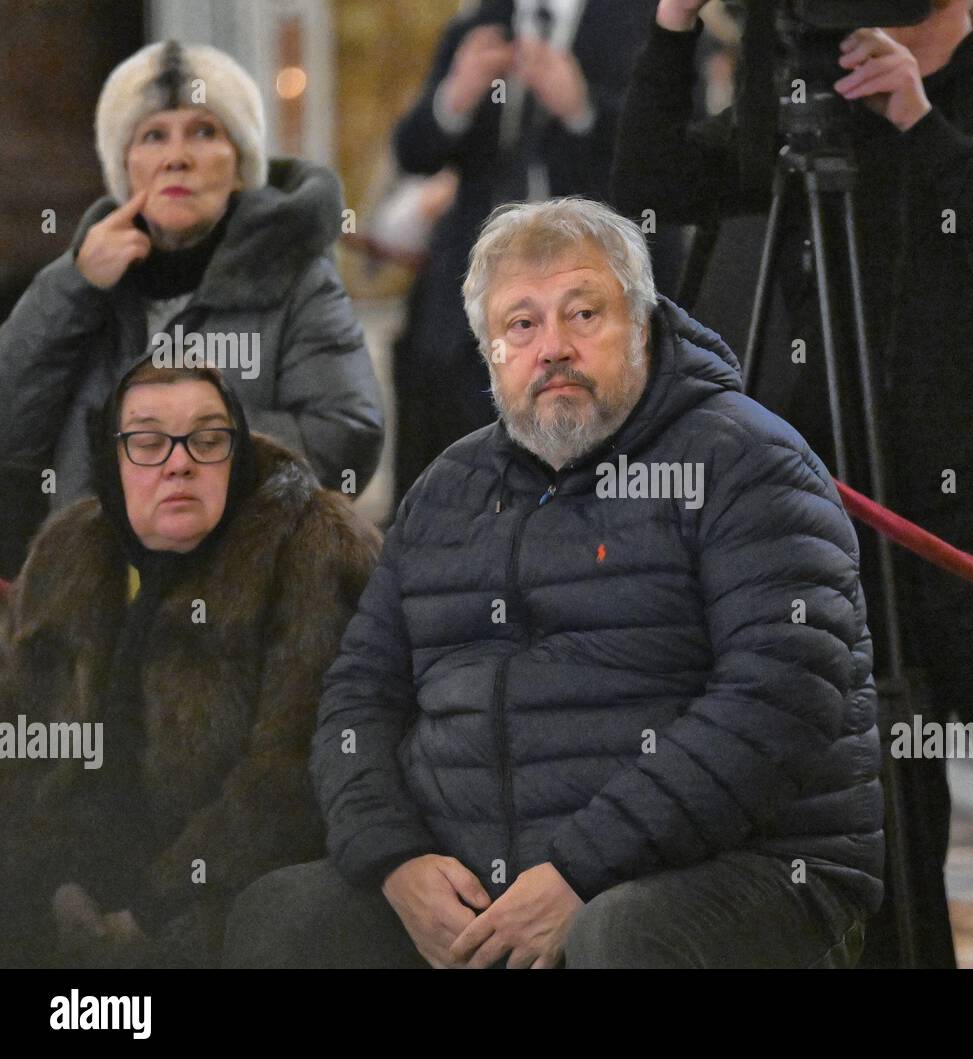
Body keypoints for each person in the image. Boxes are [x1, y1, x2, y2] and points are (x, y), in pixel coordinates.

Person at [610, 0, 973, 967]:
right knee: (890, 849)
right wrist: (675, 28)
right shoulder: (810, 89)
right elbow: (649, 187)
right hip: (847, 524)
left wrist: (921, 126)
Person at [223, 197, 882, 969]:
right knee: (286, 918)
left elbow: (776, 700)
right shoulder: (447, 487)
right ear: (490, 350)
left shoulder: (748, 460)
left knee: (623, 936)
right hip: (481, 880)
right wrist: (394, 857)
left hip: (734, 869)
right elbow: (359, 694)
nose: (554, 348)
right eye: (521, 325)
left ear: (640, 322)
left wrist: (577, 871)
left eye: (583, 313)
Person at [0, 361, 381, 968]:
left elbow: (292, 778)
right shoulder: (70, 548)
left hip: (223, 894)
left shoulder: (313, 546)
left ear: (238, 455)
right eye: (148, 442)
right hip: (69, 885)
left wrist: (151, 908)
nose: (180, 462)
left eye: (208, 440)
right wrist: (54, 883)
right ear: (111, 459)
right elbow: (21, 751)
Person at [0, 40, 385, 577]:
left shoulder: (295, 274)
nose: (176, 156)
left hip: (247, 589)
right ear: (126, 166)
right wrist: (75, 286)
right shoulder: (84, 279)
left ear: (239, 164)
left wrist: (173, 444)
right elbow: (10, 429)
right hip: (94, 594)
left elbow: (346, 437)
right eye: (153, 135)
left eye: (205, 132)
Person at [388, 0, 671, 507]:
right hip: (477, 281)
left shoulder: (638, 18)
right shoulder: (479, 24)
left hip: (594, 269)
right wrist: (454, 97)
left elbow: (665, 152)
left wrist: (581, 107)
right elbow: (413, 151)